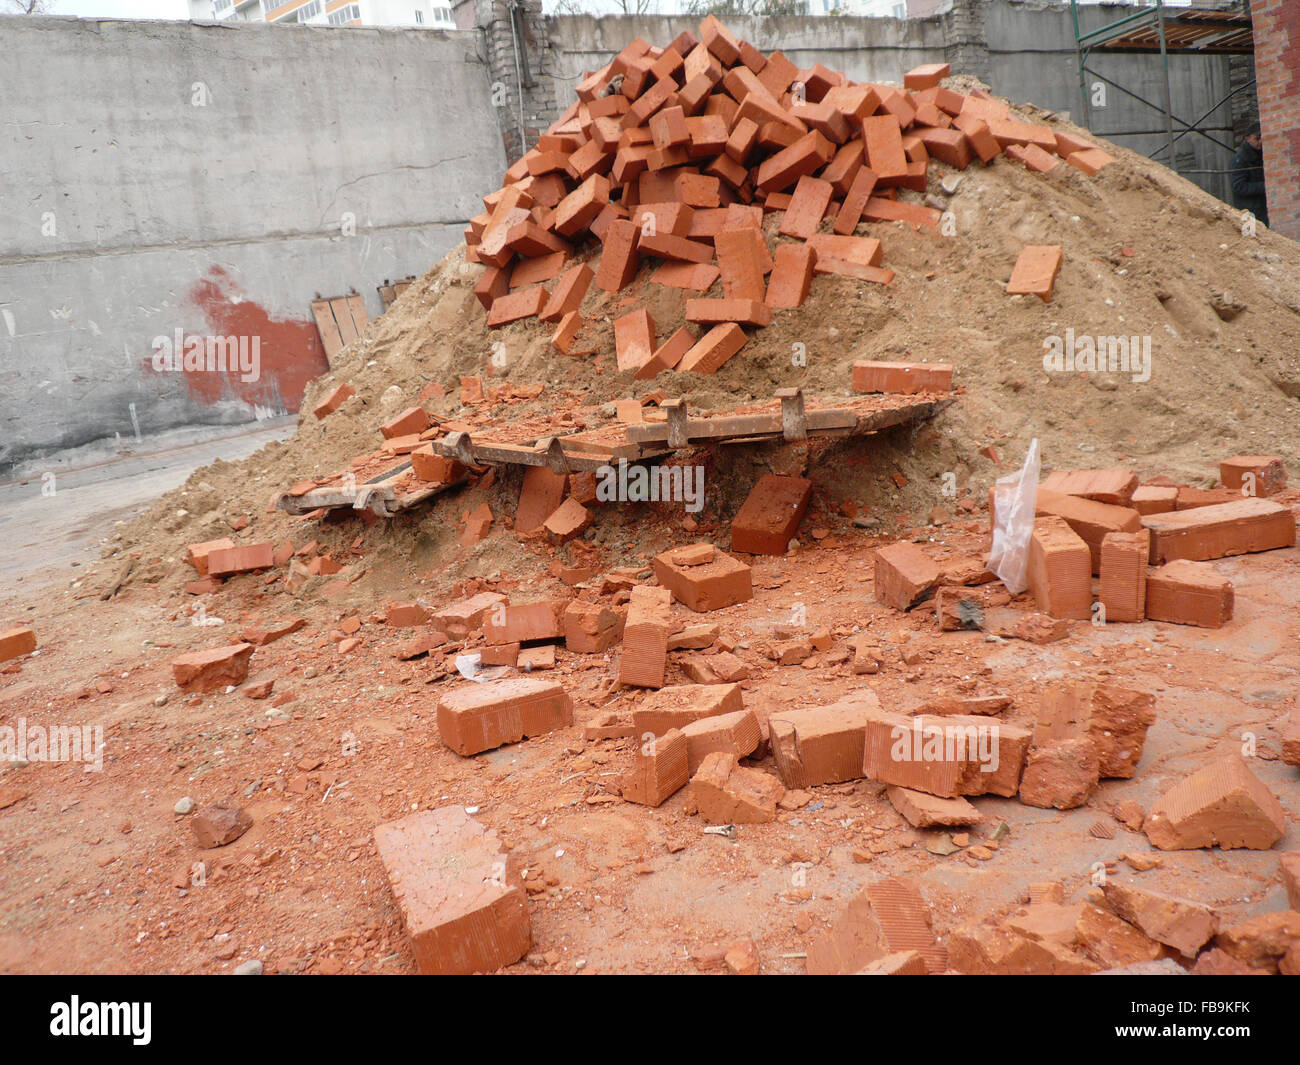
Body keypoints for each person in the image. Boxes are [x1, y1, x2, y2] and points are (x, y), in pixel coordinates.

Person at [1230, 124, 1269, 227]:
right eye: (1257, 138)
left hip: (1262, 208)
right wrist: (1265, 186)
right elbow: (1238, 186)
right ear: (1247, 139)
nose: (1260, 141)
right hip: (1250, 211)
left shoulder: (1261, 153)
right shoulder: (1240, 159)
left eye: (1262, 138)